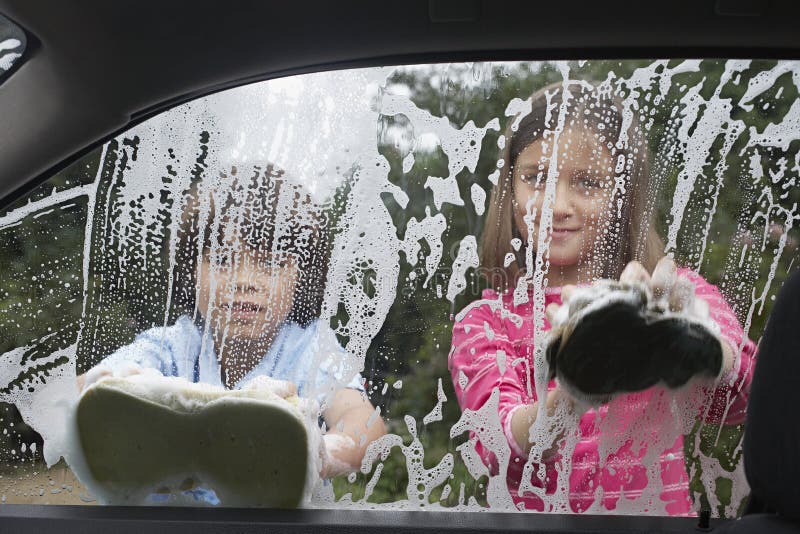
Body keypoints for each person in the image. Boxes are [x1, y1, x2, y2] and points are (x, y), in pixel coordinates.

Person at [449, 82, 756, 515]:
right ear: (509, 189)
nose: (557, 205)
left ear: (624, 195)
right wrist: (573, 389)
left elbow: (741, 400)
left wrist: (692, 341)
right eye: (536, 178)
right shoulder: (485, 322)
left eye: (588, 182)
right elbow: (500, 447)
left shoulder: (670, 294)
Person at [77, 163, 386, 502]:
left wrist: (320, 453)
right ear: (190, 270)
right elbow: (92, 388)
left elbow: (363, 421)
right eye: (223, 260)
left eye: (270, 263)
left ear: (301, 278)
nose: (245, 281)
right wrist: (111, 385)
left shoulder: (309, 348)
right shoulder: (173, 346)